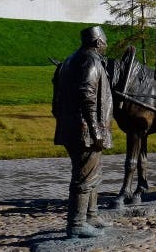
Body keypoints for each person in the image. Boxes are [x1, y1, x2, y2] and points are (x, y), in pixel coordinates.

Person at [52, 26, 114, 239]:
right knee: (84, 177)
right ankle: (76, 224)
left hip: (73, 127)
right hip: (85, 131)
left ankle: (91, 215)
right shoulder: (90, 60)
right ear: (97, 42)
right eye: (104, 43)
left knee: (92, 174)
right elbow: (86, 95)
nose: (106, 46)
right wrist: (96, 130)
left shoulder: (70, 60)